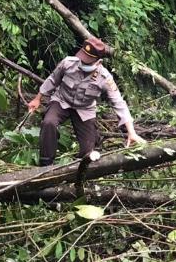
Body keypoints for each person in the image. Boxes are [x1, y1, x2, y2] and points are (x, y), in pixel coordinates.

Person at [28, 37, 144, 166]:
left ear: (99, 62)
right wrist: (37, 99)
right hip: (62, 101)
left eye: (88, 62)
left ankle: (76, 169)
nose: (83, 63)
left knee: (88, 151)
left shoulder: (105, 78)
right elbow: (52, 80)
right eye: (82, 59)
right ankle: (46, 163)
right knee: (48, 123)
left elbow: (119, 103)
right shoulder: (68, 63)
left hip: (85, 109)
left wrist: (131, 132)